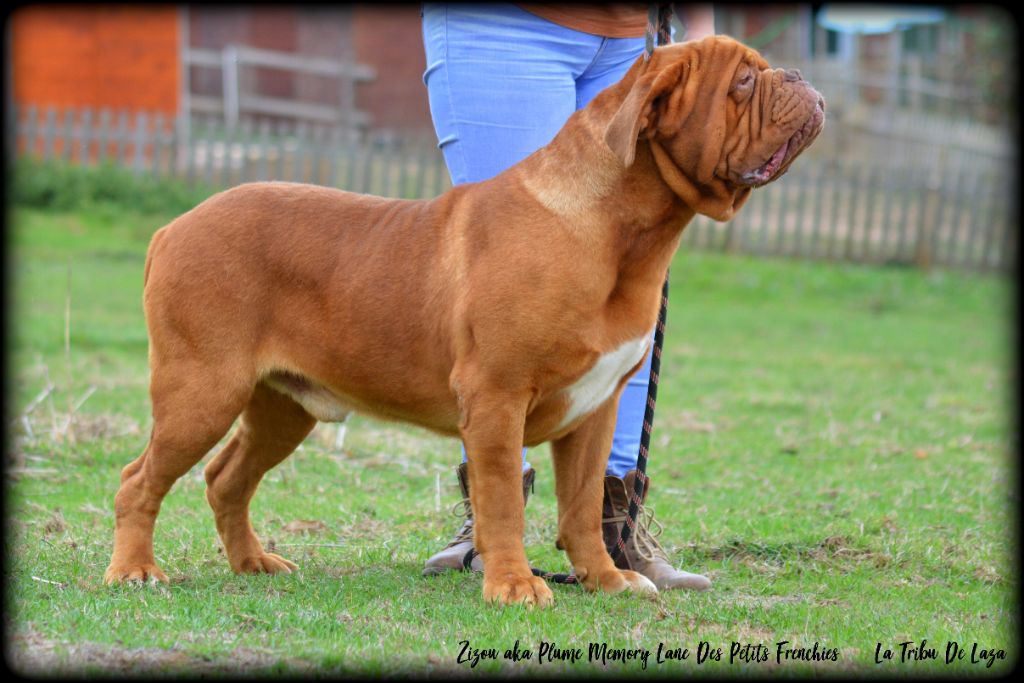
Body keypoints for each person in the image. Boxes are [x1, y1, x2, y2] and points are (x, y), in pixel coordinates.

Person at [419, 3, 713, 591]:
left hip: (637, 33)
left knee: (623, 306)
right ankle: (497, 539)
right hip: (505, 25)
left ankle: (612, 525)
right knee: (515, 309)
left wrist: (698, 22)